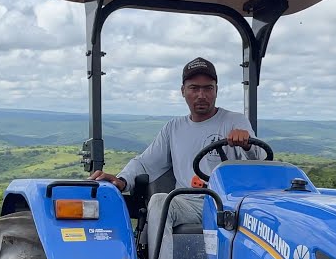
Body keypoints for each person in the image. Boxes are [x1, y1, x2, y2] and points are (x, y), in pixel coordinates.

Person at [89, 56, 265, 232]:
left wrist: (247, 144)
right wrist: (121, 180)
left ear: (216, 90)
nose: (201, 95)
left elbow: (260, 160)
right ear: (183, 91)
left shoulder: (235, 121)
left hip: (228, 204)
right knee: (159, 202)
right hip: (189, 202)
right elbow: (146, 162)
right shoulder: (174, 128)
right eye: (194, 88)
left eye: (208, 88)